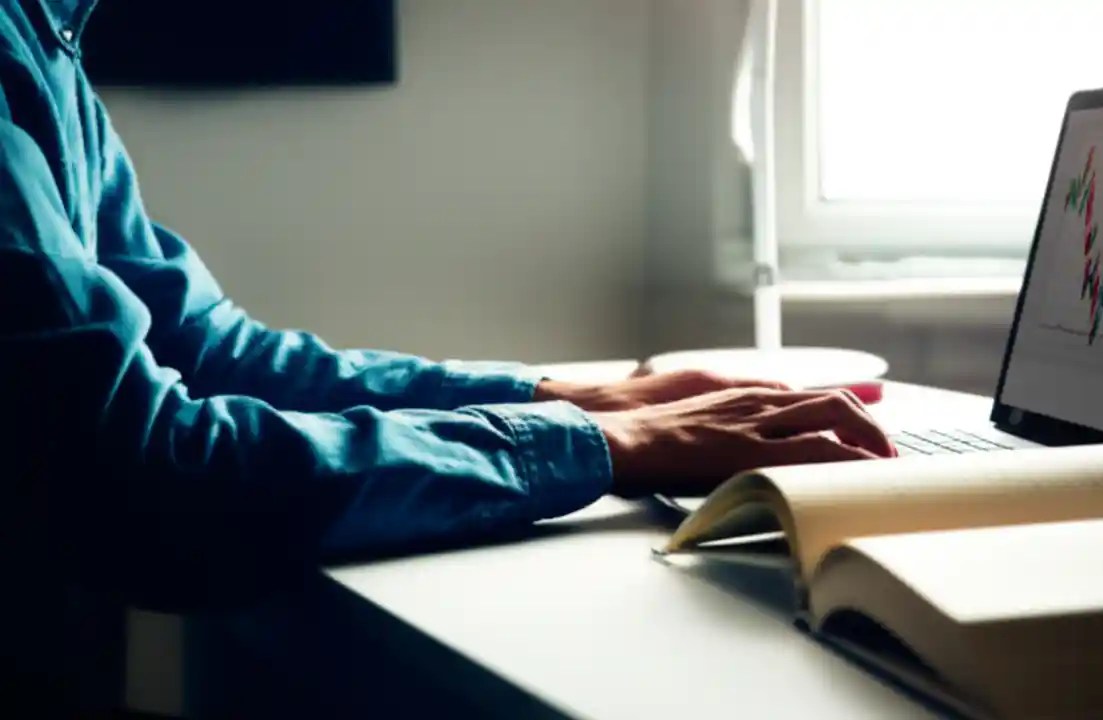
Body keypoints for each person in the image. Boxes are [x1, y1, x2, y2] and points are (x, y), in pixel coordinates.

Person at [0, 0, 893, 712]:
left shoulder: (45, 34)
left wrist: (574, 398)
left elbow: (207, 351)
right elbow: (138, 472)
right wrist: (608, 446)